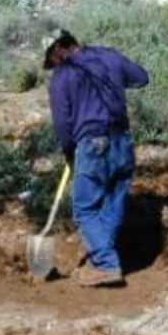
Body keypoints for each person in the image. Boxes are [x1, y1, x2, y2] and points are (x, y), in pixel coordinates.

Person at [43, 29, 149, 287]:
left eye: (52, 59)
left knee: (85, 209)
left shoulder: (63, 75)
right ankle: (101, 260)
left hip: (92, 146)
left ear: (58, 50)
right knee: (111, 204)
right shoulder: (109, 56)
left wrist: (70, 153)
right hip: (122, 142)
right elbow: (141, 78)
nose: (54, 65)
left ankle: (106, 264)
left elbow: (62, 124)